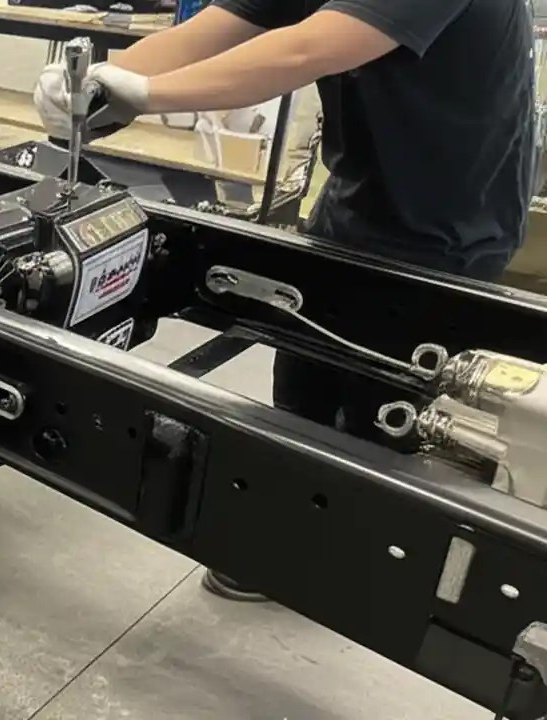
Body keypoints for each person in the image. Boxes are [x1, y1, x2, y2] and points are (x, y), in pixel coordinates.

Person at [35, 0, 538, 601]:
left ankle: (353, 559)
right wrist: (92, 81)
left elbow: (309, 49)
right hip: (356, 205)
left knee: (385, 406)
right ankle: (283, 537)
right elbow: (219, 27)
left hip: (448, 225)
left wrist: (144, 93)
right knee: (303, 379)